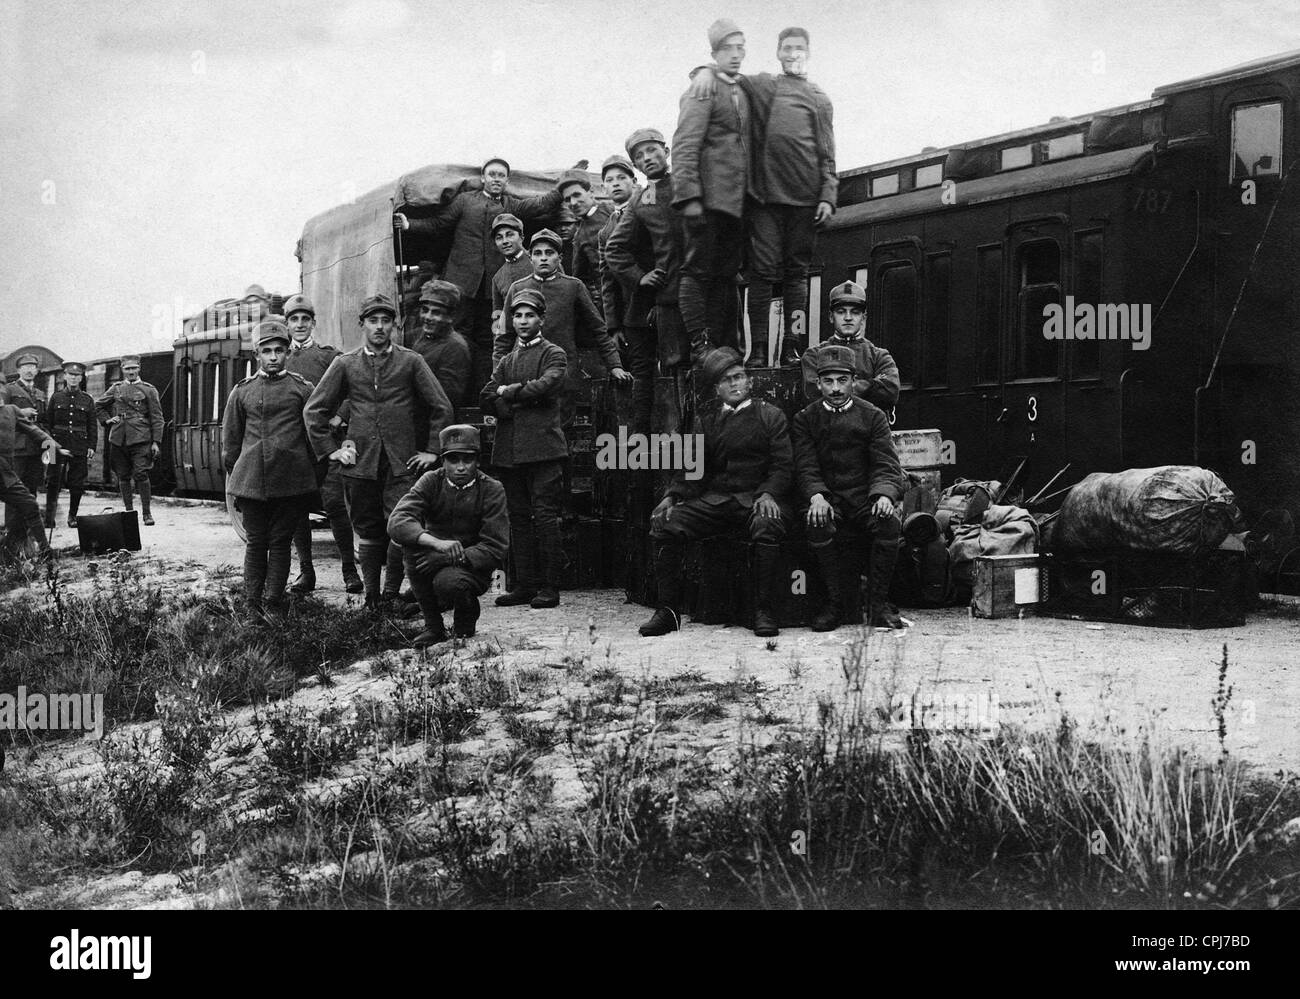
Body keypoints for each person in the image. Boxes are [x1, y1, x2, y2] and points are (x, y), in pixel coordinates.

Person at [691, 26, 837, 366]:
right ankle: (757, 349)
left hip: (806, 200)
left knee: (797, 274)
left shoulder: (819, 98)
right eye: (787, 47)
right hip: (765, 199)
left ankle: (792, 346)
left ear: (808, 52)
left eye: (799, 48)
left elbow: (828, 153)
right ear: (778, 52)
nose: (793, 53)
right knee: (762, 272)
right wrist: (705, 72)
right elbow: (729, 76)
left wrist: (828, 195)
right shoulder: (764, 84)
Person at [302, 292, 454, 608]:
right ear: (362, 325)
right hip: (360, 464)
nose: (380, 327)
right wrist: (331, 450)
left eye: (386, 320)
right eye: (373, 321)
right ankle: (372, 599)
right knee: (369, 530)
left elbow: (441, 406)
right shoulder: (345, 364)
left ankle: (391, 594)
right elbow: (314, 410)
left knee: (402, 528)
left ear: (394, 325)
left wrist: (432, 450)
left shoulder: (411, 361)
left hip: (402, 463)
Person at [639, 347, 794, 638]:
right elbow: (693, 469)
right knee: (665, 523)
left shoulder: (770, 416)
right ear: (716, 388)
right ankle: (667, 611)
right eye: (727, 380)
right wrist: (671, 496)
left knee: (767, 523)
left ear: (749, 381)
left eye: (739, 377)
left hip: (756, 500)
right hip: (717, 502)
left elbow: (783, 465)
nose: (735, 384)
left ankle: (763, 609)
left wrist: (769, 494)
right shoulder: (706, 421)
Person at [393, 158, 564, 392]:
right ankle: (453, 392)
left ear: (507, 180)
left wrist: (566, 184)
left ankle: (483, 393)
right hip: (460, 286)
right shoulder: (464, 201)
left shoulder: (511, 205)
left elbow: (541, 204)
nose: (496, 179)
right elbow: (439, 223)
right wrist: (409, 225)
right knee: (455, 336)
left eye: (501, 175)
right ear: (483, 178)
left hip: (491, 290)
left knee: (489, 340)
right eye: (492, 174)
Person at [792, 344, 906, 630]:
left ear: (854, 381)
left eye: (842, 380)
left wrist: (883, 495)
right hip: (829, 498)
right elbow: (805, 465)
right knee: (817, 522)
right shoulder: (806, 419)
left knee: (889, 523)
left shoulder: (873, 416)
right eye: (828, 381)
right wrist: (817, 496)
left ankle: (878, 606)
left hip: (864, 497)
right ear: (818, 384)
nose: (835, 388)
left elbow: (886, 463)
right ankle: (835, 604)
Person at [381, 278, 472, 606]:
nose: (430, 317)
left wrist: (433, 450)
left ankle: (420, 590)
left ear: (451, 316)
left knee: (418, 520)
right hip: (410, 438)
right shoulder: (419, 338)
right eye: (426, 310)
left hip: (432, 444)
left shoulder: (455, 348)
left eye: (438, 312)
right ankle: (405, 590)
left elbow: (445, 402)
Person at [222, 321, 320, 621]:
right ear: (257, 354)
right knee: (256, 543)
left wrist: (306, 479)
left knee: (280, 543)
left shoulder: (302, 389)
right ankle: (252, 605)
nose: (273, 356)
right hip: (252, 481)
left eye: (279, 350)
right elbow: (231, 444)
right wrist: (240, 483)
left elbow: (313, 438)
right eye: (267, 351)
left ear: (288, 352)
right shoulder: (242, 392)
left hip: (290, 481)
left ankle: (273, 602)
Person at [481, 289, 568, 609]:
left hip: (544, 449)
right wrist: (516, 399)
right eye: (517, 315)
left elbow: (547, 385)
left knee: (545, 516)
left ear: (542, 319)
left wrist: (509, 393)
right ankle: (525, 585)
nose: (522, 321)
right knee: (517, 518)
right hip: (509, 451)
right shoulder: (506, 360)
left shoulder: (553, 353)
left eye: (530, 315)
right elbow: (487, 396)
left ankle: (550, 587)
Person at [387, 424, 510, 647]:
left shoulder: (492, 489)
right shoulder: (432, 480)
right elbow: (398, 520)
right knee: (411, 547)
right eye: (453, 460)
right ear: (443, 462)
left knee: (449, 582)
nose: (460, 467)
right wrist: (434, 543)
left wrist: (448, 557)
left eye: (467, 459)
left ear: (478, 461)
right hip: (432, 557)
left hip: (472, 567)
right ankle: (433, 627)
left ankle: (466, 615)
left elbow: (495, 546)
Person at [672, 18, 752, 357]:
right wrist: (689, 197)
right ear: (714, 54)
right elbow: (684, 144)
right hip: (706, 200)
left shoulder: (742, 89)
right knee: (696, 272)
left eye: (740, 48)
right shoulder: (702, 89)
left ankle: (725, 348)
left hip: (736, 202)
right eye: (726, 49)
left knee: (726, 275)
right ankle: (700, 342)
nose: (734, 55)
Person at [494, 229, 631, 423]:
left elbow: (598, 330)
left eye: (549, 253)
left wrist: (615, 365)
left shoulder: (573, 287)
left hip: (562, 375)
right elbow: (503, 338)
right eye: (537, 253)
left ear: (559, 258)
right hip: (523, 374)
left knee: (560, 431)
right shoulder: (517, 288)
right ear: (530, 257)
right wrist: (498, 377)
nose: (543, 258)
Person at [604, 129, 690, 434]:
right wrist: (641, 279)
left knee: (716, 361)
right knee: (676, 368)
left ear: (666, 151)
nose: (647, 158)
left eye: (652, 150)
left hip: (707, 287)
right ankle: (683, 443)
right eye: (639, 156)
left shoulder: (690, 181)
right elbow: (614, 250)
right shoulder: (641, 200)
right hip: (669, 297)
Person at [281, 293, 363, 595]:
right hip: (294, 446)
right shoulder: (281, 359)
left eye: (305, 319)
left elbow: (354, 389)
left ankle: (349, 571)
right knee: (298, 509)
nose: (300, 324)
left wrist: (340, 416)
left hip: (327, 445)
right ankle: (306, 573)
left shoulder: (330, 357)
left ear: (313, 323)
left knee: (335, 506)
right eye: (294, 319)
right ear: (287, 324)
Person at [799, 280, 900, 409]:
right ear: (831, 317)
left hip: (870, 422)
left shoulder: (879, 356)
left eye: (855, 312)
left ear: (863, 318)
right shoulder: (813, 355)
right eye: (841, 312)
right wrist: (870, 385)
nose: (848, 317)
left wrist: (835, 387)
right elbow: (814, 395)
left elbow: (890, 393)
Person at [95, 354, 165, 525]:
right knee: (123, 475)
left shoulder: (149, 390)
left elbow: (157, 417)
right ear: (122, 370)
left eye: (134, 368)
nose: (131, 371)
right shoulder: (116, 388)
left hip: (141, 438)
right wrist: (107, 420)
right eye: (127, 369)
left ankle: (147, 514)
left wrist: (156, 442)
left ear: (139, 368)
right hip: (118, 438)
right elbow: (98, 405)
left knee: (141, 473)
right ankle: (129, 513)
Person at [0, 401, 65, 559]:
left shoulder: (11, 410)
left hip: (5, 475)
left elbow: (34, 431)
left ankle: (45, 551)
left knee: (29, 504)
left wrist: (55, 447)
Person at [595, 154, 642, 365]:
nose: (616, 183)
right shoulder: (606, 231)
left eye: (622, 178)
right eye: (610, 180)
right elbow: (608, 281)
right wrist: (613, 327)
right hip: (630, 314)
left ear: (634, 182)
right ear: (603, 187)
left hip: (658, 305)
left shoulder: (646, 213)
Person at [42, 361, 97, 528]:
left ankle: (72, 516)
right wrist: (49, 447)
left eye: (77, 375)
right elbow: (47, 423)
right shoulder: (56, 397)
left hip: (79, 446)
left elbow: (92, 425)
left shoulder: (87, 399)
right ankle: (49, 518)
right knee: (52, 481)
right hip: (55, 445)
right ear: (64, 376)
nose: (73, 378)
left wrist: (91, 446)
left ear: (81, 378)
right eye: (70, 375)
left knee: (77, 483)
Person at [2, 353, 48, 539]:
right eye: (25, 367)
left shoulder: (40, 394)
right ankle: (11, 535)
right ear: (18, 370)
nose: (29, 370)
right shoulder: (9, 389)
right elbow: (3, 412)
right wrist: (22, 412)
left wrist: (48, 447)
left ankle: (27, 534)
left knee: (31, 491)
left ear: (37, 371)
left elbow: (44, 422)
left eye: (32, 367)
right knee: (15, 492)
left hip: (35, 448)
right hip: (17, 449)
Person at [558, 169, 612, 311]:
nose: (573, 203)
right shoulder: (579, 237)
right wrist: (597, 299)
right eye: (567, 199)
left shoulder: (612, 211)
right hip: (611, 304)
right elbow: (580, 278)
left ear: (591, 192)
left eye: (577, 195)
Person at [489, 213, 533, 339]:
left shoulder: (539, 262)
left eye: (510, 235)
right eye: (499, 237)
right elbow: (498, 319)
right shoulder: (498, 277)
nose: (505, 241)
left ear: (521, 237)